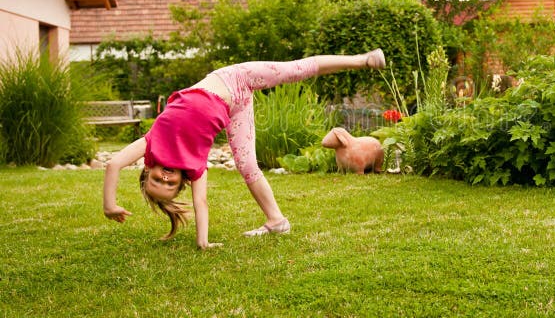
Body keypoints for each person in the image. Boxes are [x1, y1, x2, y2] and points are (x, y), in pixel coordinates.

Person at [102, 49, 386, 249]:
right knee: (247, 165)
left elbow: (113, 164)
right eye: (169, 185)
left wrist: (110, 205)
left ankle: (364, 60)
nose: (164, 178)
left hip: (231, 80)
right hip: (233, 108)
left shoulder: (152, 142)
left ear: (148, 169)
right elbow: (201, 203)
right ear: (180, 183)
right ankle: (277, 221)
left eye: (155, 180)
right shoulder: (194, 168)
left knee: (295, 69)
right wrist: (202, 242)